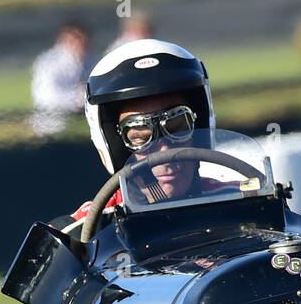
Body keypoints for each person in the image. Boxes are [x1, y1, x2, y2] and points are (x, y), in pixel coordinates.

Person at [50, 38, 217, 239]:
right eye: (141, 137)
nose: (165, 151)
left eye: (178, 128)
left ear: (199, 129)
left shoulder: (241, 203)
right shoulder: (74, 234)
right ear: (116, 145)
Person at [30, 21, 91, 137]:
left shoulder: (89, 61)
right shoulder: (48, 63)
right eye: (75, 39)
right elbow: (47, 97)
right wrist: (78, 97)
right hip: (52, 127)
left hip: (80, 126)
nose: (80, 44)